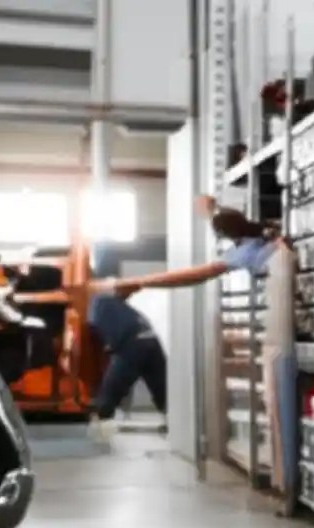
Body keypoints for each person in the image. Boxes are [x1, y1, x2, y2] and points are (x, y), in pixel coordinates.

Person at [96, 198, 298, 501]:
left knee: (279, 406)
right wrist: (214, 205)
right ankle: (288, 482)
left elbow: (194, 274)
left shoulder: (246, 249)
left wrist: (138, 281)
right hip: (292, 324)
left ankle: (287, 487)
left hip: (281, 330)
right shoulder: (266, 237)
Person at [85, 247, 167, 438]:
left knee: (110, 392)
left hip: (132, 343)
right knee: (162, 387)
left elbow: (97, 337)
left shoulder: (97, 303)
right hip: (150, 338)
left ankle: (99, 432)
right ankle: (177, 424)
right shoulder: (111, 302)